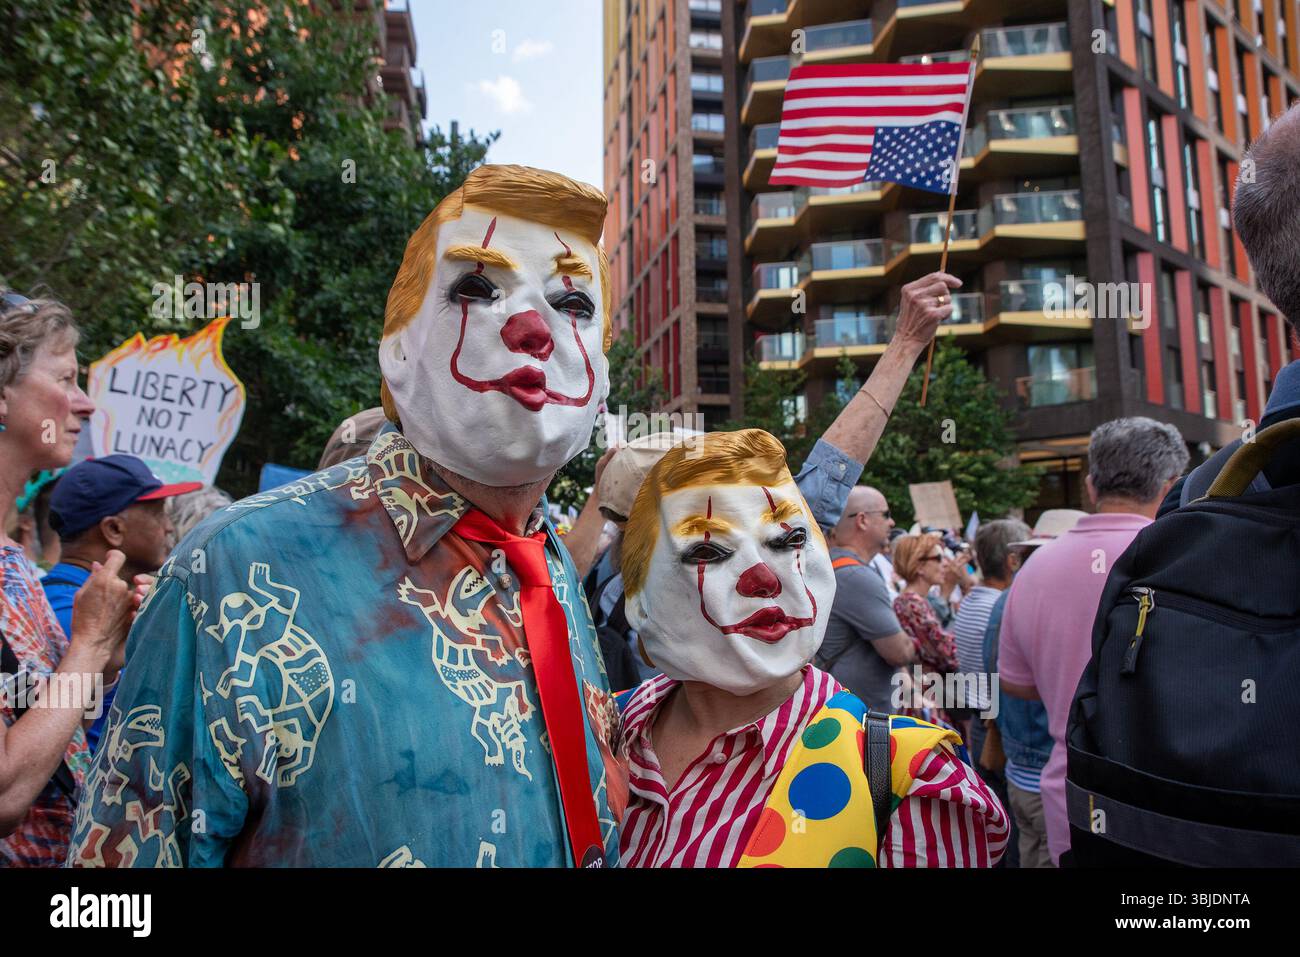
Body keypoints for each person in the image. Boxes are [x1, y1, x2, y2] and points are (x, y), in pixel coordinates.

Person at [616, 431, 1008, 867]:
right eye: (708, 550)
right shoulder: (597, 729)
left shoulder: (910, 777)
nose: (763, 578)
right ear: (638, 599)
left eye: (788, 541)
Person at [998, 418, 1188, 865]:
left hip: (1073, 799)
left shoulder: (1034, 569)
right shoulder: (1184, 556)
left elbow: (1018, 685)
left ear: (1089, 486)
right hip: (1174, 805)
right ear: (1173, 485)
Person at [0, 289, 136, 866]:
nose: (86, 405)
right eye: (67, 379)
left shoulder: (15, 566)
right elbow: (5, 789)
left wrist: (107, 654)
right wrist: (85, 646)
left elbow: (50, 728)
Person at [41, 455, 199, 751]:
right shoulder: (71, 616)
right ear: (113, 529)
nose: (167, 527)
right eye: (157, 513)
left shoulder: (70, 604)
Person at [816, 485, 916, 711]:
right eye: (886, 515)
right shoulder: (855, 576)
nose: (892, 523)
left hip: (843, 711)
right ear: (862, 520)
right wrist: (913, 642)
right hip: (860, 721)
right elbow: (899, 652)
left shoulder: (831, 567)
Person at [951, 519, 1029, 768]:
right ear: (1012, 561)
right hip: (1000, 729)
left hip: (981, 721)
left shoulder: (973, 601)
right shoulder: (1002, 608)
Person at [891, 533, 961, 715]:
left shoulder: (911, 600)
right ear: (920, 566)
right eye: (938, 558)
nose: (945, 563)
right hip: (926, 700)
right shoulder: (913, 604)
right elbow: (947, 654)